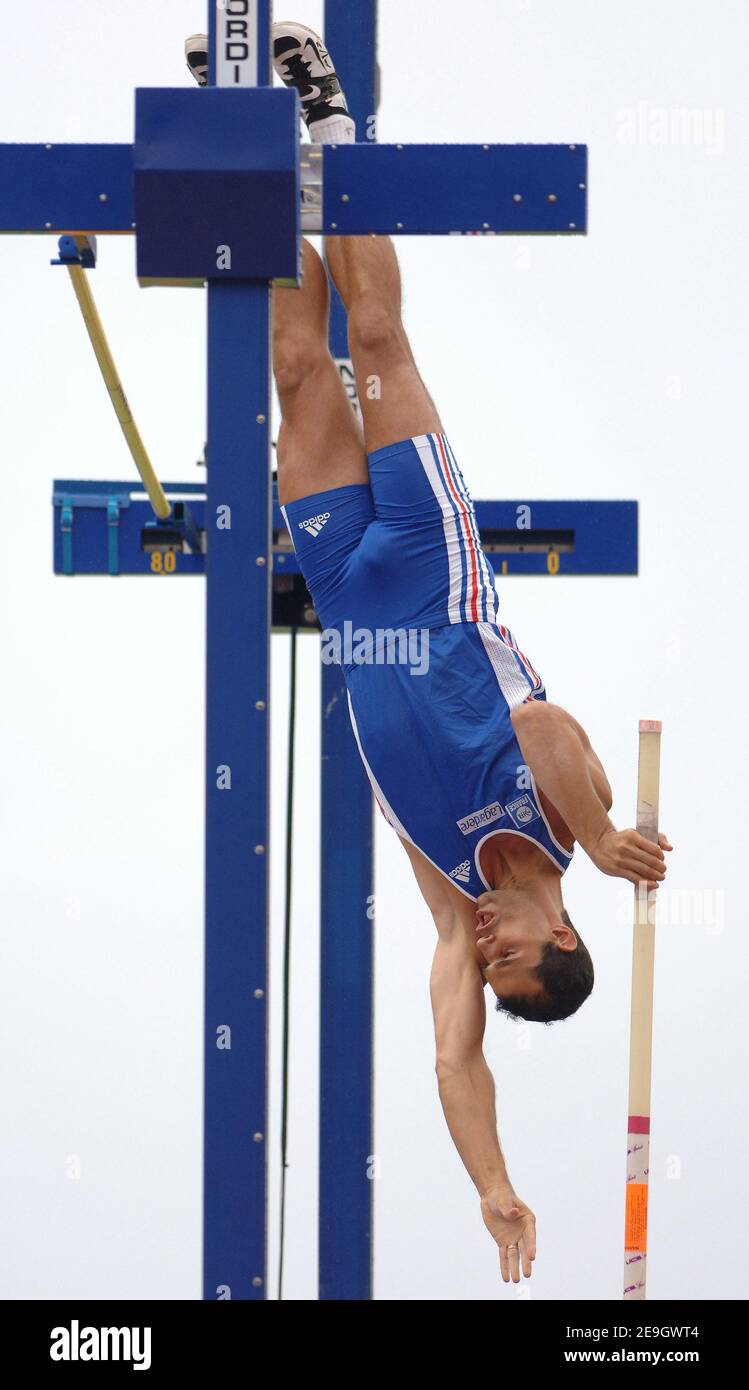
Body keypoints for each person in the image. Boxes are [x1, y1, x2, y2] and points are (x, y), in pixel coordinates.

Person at [186, 21, 672, 1285]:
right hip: (429, 559)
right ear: (557, 941)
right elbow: (543, 731)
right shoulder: (572, 825)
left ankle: (253, 152)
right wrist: (604, 838)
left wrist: (497, 1186)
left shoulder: (456, 919)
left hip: (351, 591)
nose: (485, 959)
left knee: (296, 366)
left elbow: (454, 1060)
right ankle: (331, 120)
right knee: (378, 345)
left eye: (489, 971)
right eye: (512, 965)